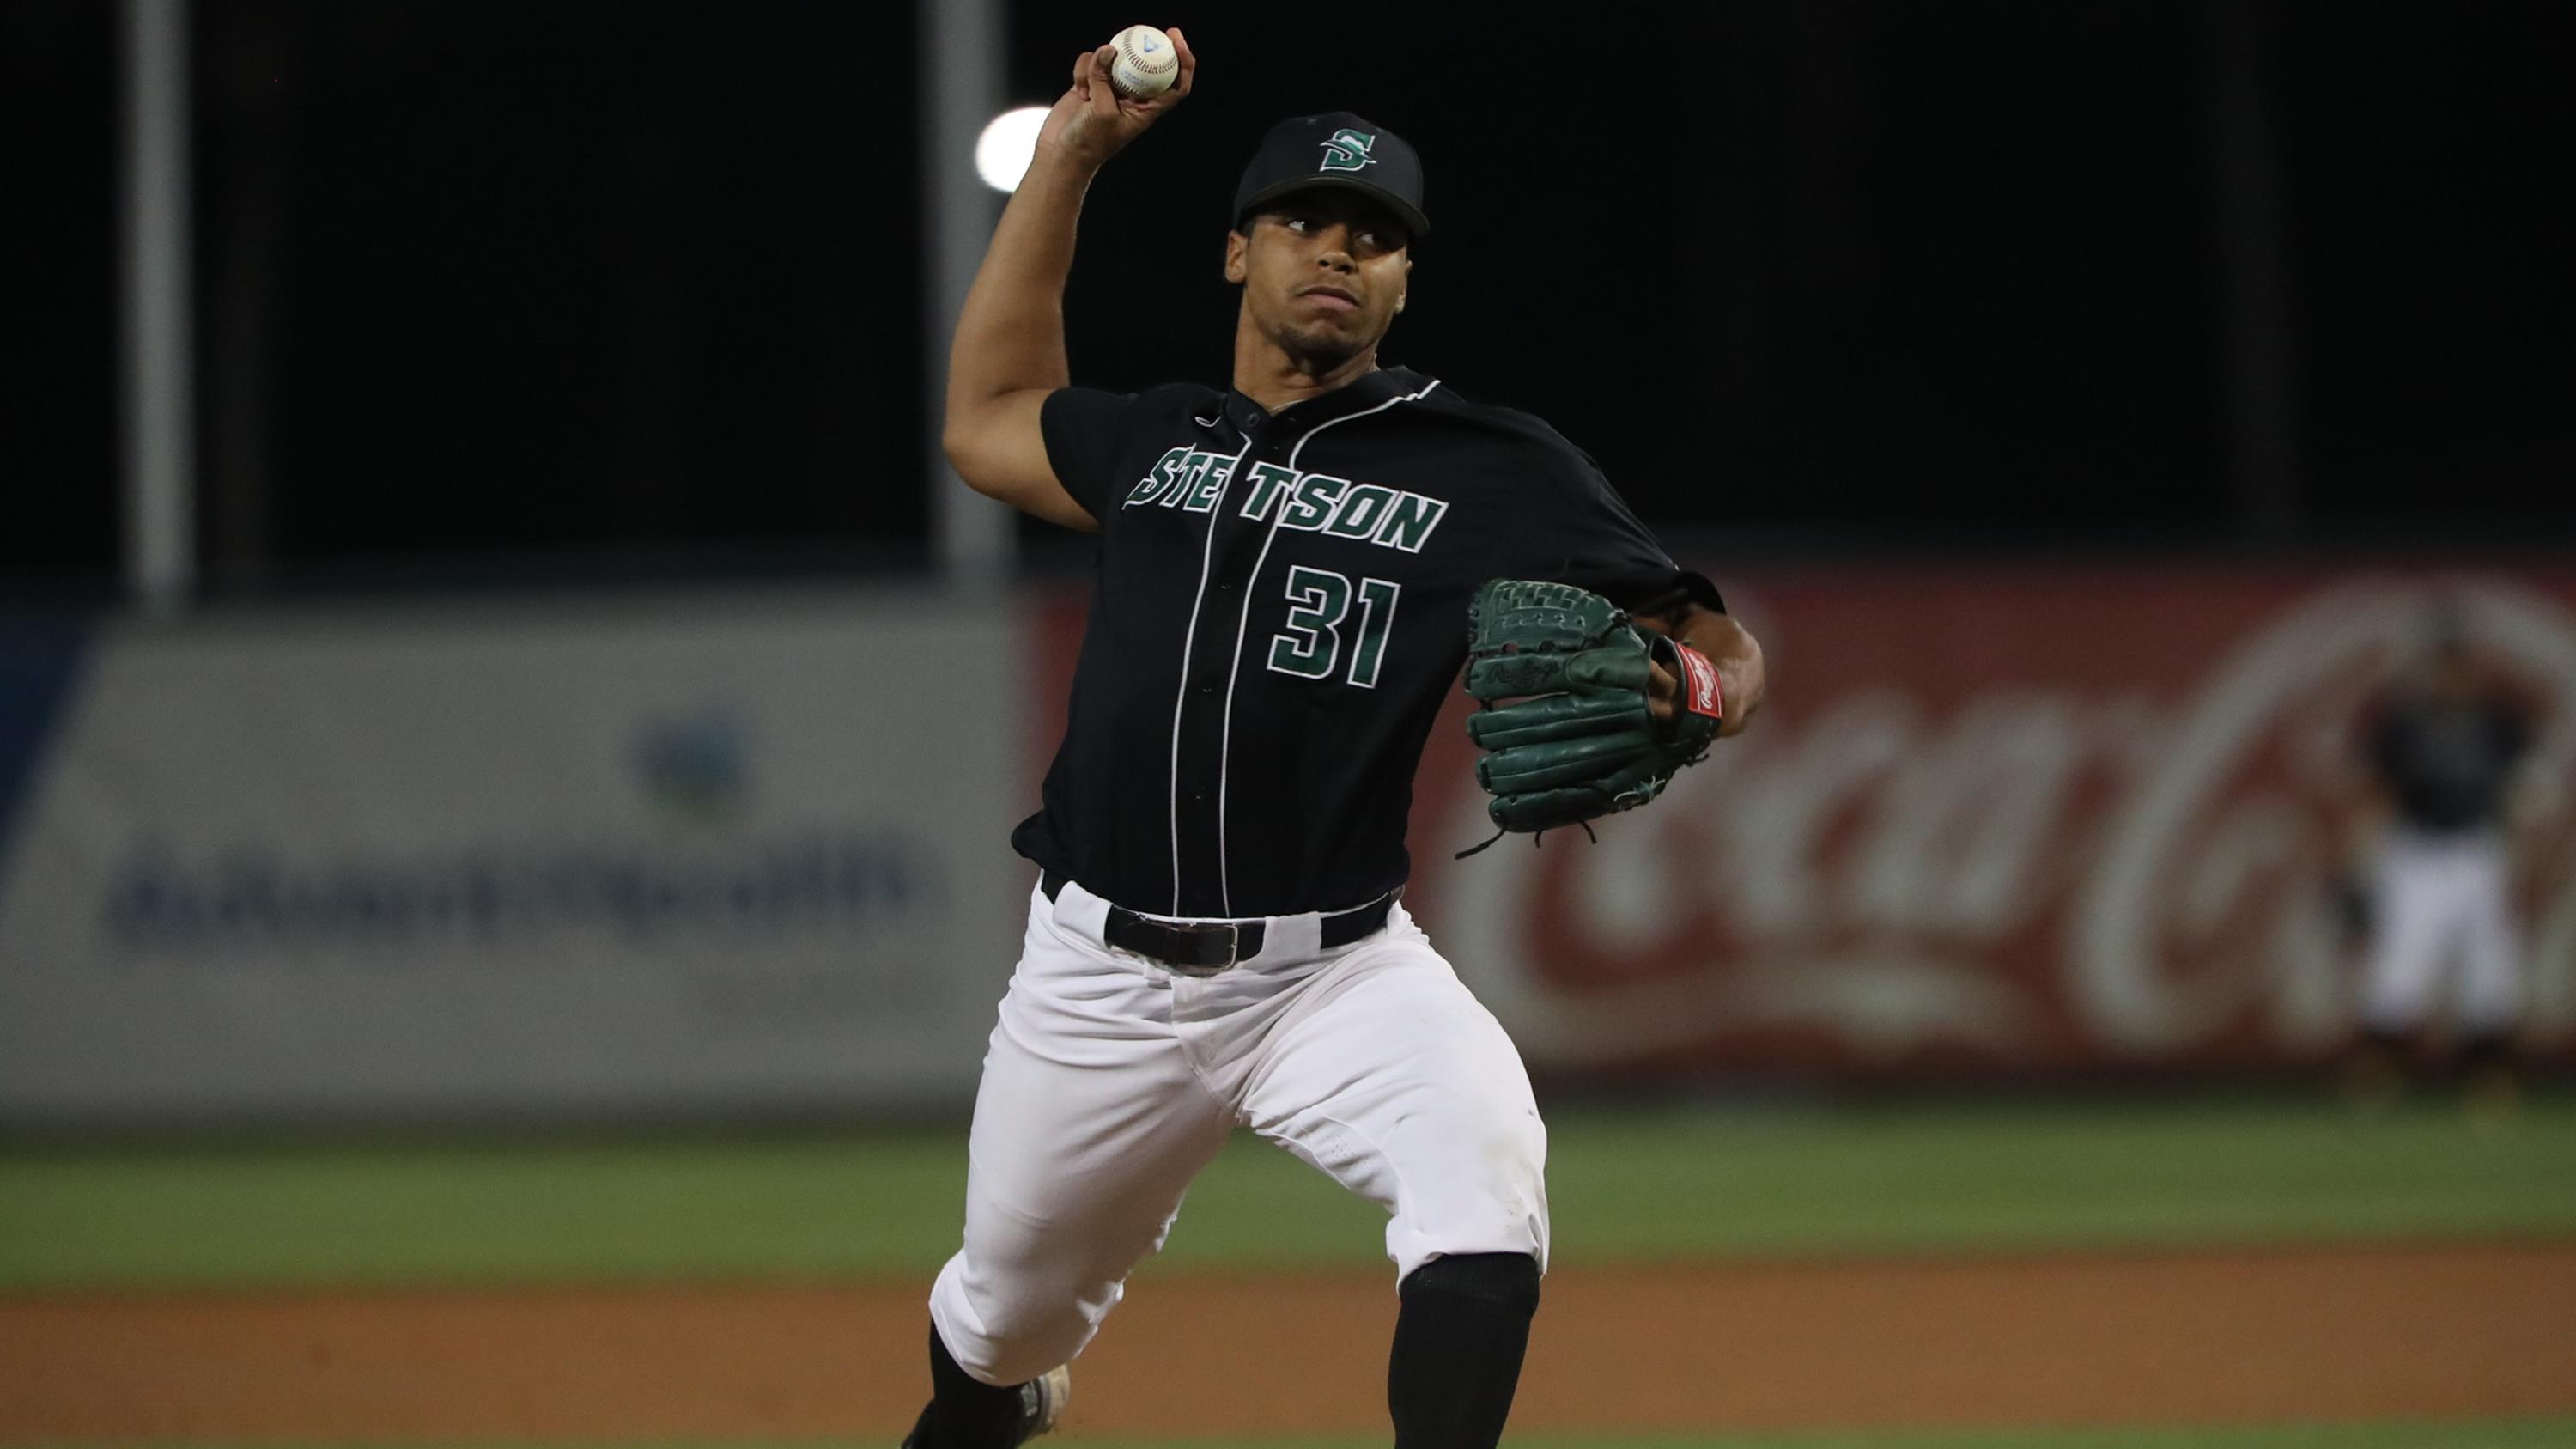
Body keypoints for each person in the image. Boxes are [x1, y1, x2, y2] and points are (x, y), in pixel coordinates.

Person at [907, 30, 1765, 1448]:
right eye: (1304, 217)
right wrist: (1069, 157)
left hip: (1336, 976)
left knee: (1486, 1192)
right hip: (1095, 978)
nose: (1336, 249)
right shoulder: (1157, 441)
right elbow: (988, 419)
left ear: (1404, 279)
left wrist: (1700, 690)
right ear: (1238, 252)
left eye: (1373, 235)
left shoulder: (1490, 466)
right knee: (999, 1324)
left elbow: (1724, 648)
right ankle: (995, 1401)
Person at [2341, 602, 2543, 1116]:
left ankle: (2490, 1084)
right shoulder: (2402, 722)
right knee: (2400, 974)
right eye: (2442, 658)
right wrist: (2361, 866)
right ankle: (2376, 1083)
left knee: (2491, 974)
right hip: (2416, 854)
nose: (2451, 669)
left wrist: (2520, 864)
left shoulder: (2499, 721)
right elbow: (2374, 795)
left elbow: (2521, 797)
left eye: (2457, 657)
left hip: (2478, 850)